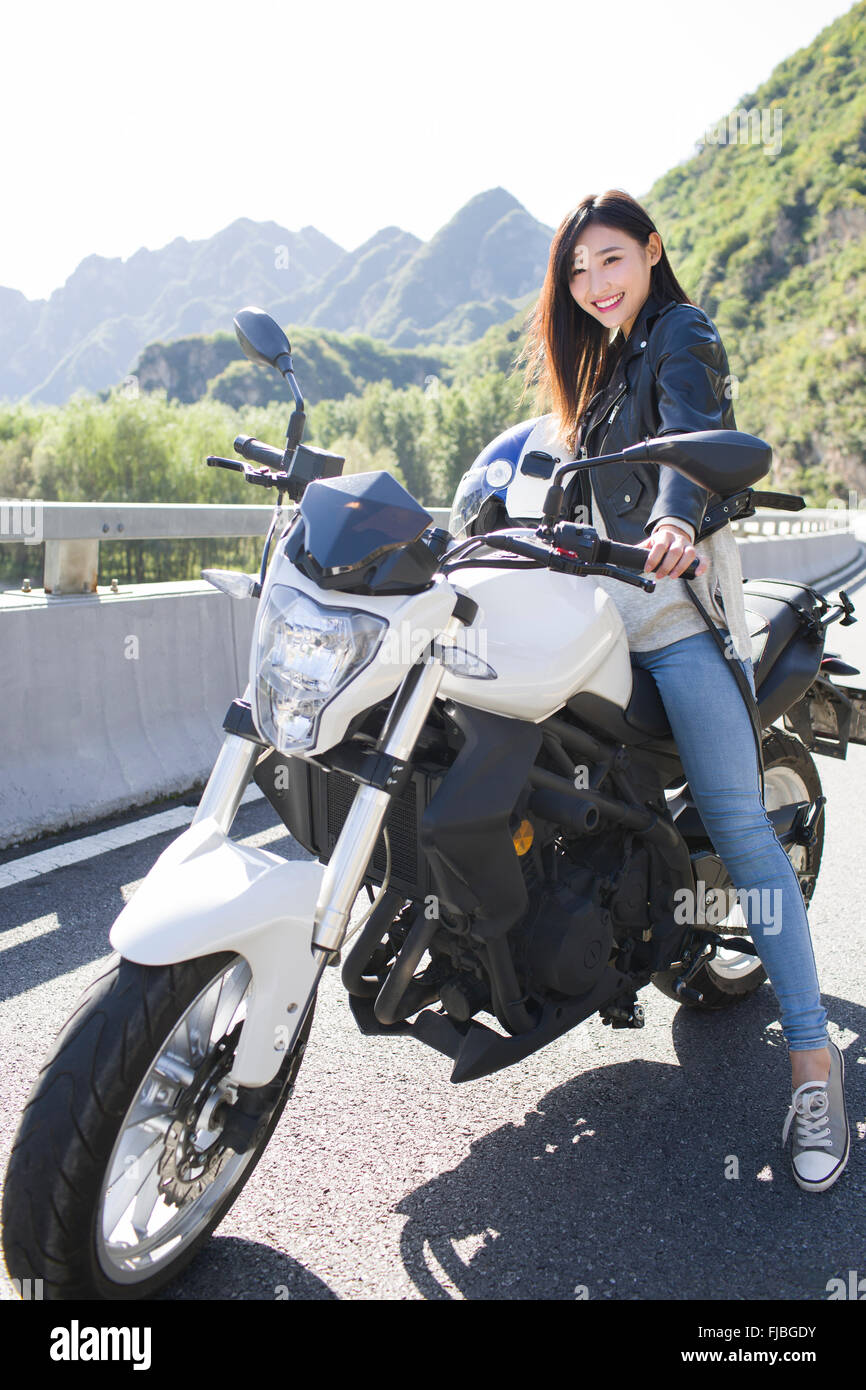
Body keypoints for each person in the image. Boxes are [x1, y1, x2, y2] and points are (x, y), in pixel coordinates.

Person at [520, 189, 849, 1192]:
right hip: (583, 628)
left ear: (652, 252)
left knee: (742, 834)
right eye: (578, 270)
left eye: (610, 259)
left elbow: (692, 440)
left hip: (669, 628)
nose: (594, 283)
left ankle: (809, 1061)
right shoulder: (598, 369)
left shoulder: (679, 335)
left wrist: (673, 518)